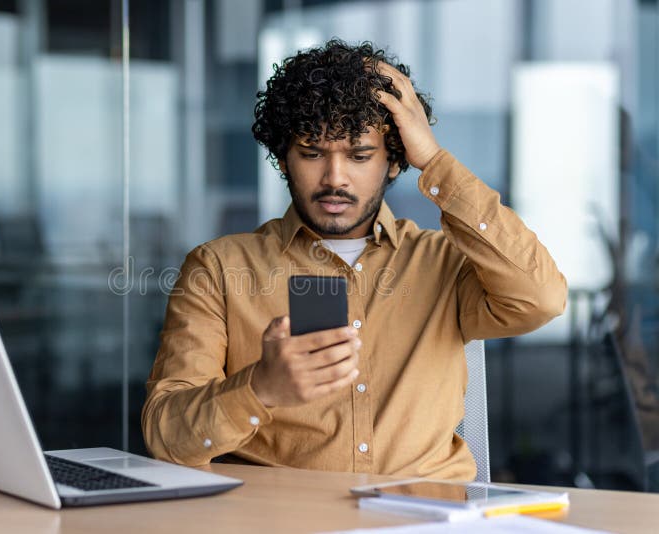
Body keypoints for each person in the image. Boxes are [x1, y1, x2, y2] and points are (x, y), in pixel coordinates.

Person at [141, 39, 567, 480]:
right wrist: (259, 388)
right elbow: (167, 438)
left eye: (360, 156)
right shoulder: (218, 269)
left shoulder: (446, 263)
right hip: (282, 521)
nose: (334, 178)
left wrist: (435, 162)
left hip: (425, 518)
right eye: (311, 154)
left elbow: (542, 299)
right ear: (283, 160)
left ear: (395, 162)